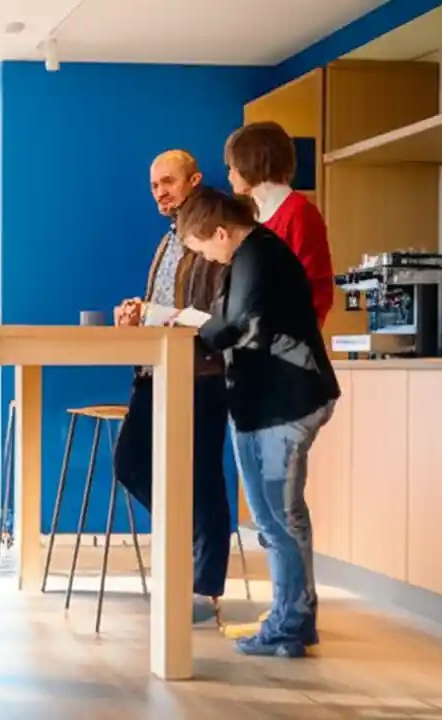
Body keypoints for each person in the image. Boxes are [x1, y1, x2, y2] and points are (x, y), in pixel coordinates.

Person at [175, 186, 341, 658]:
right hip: (266, 402)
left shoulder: (256, 256)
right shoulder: (255, 254)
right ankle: (292, 620)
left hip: (283, 402)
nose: (205, 258)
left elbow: (234, 324)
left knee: (278, 517)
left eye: (202, 248)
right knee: (275, 517)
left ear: (220, 233)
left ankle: (290, 624)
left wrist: (191, 328)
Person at [111, 150, 231, 624]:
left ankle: (204, 587)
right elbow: (167, 302)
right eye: (154, 185)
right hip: (154, 370)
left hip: (201, 373)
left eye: (168, 182)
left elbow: (215, 315)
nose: (160, 192)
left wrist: (154, 314)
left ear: (194, 180)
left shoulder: (213, 236)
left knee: (203, 476)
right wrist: (138, 313)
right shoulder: (169, 237)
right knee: (130, 463)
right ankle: (187, 543)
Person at [224, 121, 334, 325]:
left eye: (232, 167)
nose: (229, 176)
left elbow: (317, 285)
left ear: (251, 163)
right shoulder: (249, 216)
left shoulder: (299, 212)